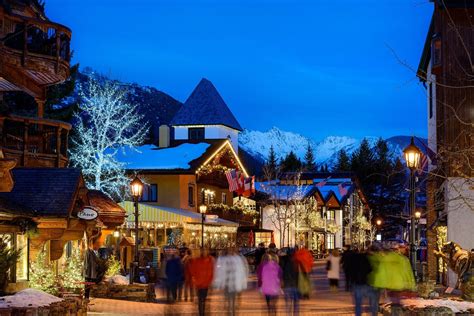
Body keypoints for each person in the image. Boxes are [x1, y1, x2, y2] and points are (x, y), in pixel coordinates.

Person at [214, 248, 249, 316]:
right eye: (229, 251)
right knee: (229, 299)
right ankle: (230, 311)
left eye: (231, 251)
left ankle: (232, 311)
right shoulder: (226, 260)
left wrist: (242, 282)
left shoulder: (237, 259)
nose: (230, 252)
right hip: (227, 284)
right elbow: (221, 271)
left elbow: (240, 271)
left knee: (232, 299)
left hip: (234, 283)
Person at [347, 250, 378, 316]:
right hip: (366, 283)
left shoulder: (352, 263)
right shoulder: (365, 261)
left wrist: (350, 284)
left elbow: (349, 274)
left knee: (358, 303)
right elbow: (370, 270)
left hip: (356, 284)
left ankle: (358, 314)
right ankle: (373, 314)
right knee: (373, 301)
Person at [190, 249, 214, 316]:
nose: (204, 252)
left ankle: (202, 312)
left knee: (202, 300)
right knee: (201, 300)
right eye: (203, 251)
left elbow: (211, 272)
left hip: (205, 284)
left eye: (205, 251)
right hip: (199, 284)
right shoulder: (198, 260)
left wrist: (209, 281)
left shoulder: (209, 260)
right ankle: (201, 313)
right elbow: (193, 270)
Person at [83, 234, 104, 299]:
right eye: (98, 243)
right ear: (93, 243)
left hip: (92, 272)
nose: (99, 245)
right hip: (89, 273)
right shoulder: (88, 252)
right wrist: (86, 272)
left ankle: (87, 297)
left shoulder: (94, 252)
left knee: (89, 286)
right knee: (87, 286)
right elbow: (86, 262)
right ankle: (86, 298)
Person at [279, 248, 299, 315]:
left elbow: (280, 273)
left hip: (287, 286)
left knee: (288, 305)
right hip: (296, 286)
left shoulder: (283, 262)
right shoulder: (298, 262)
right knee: (296, 304)